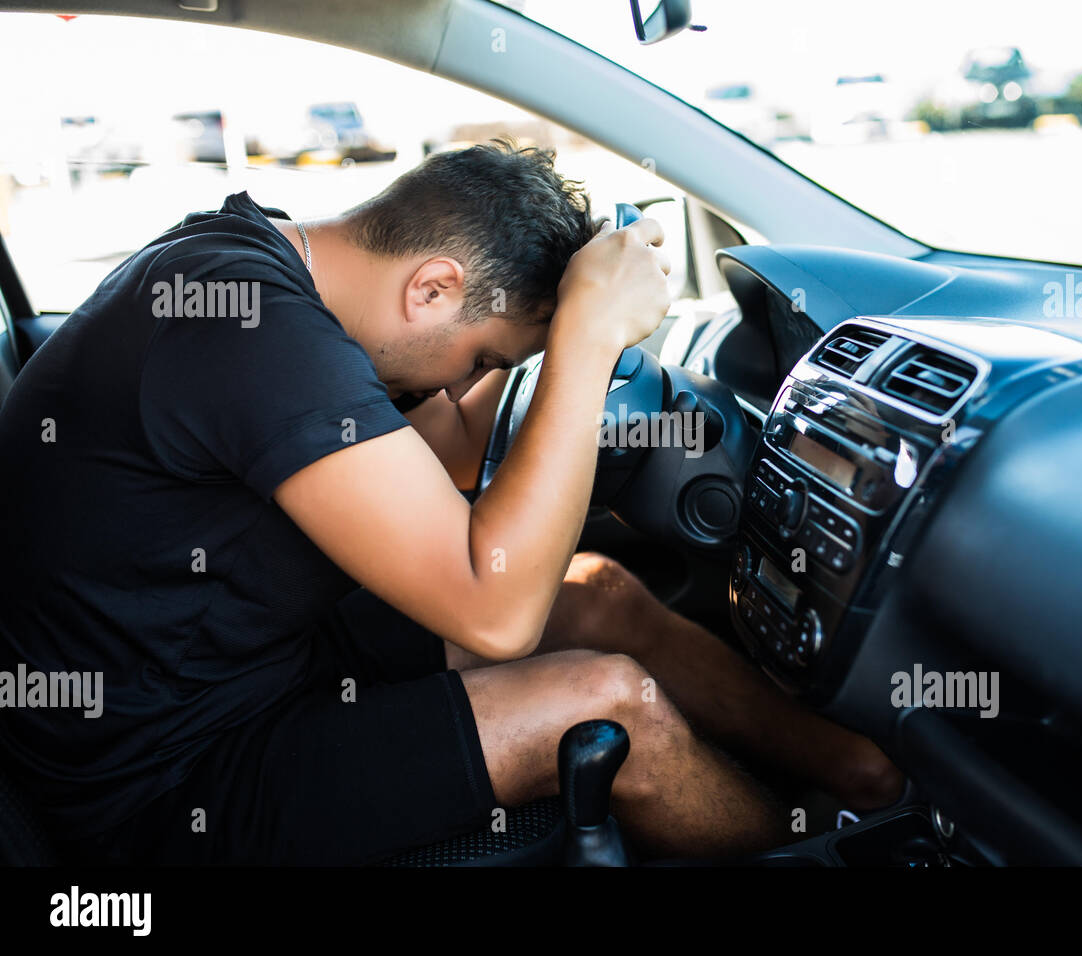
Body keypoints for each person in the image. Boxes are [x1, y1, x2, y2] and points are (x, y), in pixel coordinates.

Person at [0, 140, 901, 865]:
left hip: (241, 666)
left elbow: (445, 448)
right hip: (166, 780)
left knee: (597, 595)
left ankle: (869, 781)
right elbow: (497, 611)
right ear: (431, 288)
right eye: (483, 360)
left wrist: (572, 361)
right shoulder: (247, 329)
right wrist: (584, 346)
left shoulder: (263, 268)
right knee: (607, 699)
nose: (478, 384)